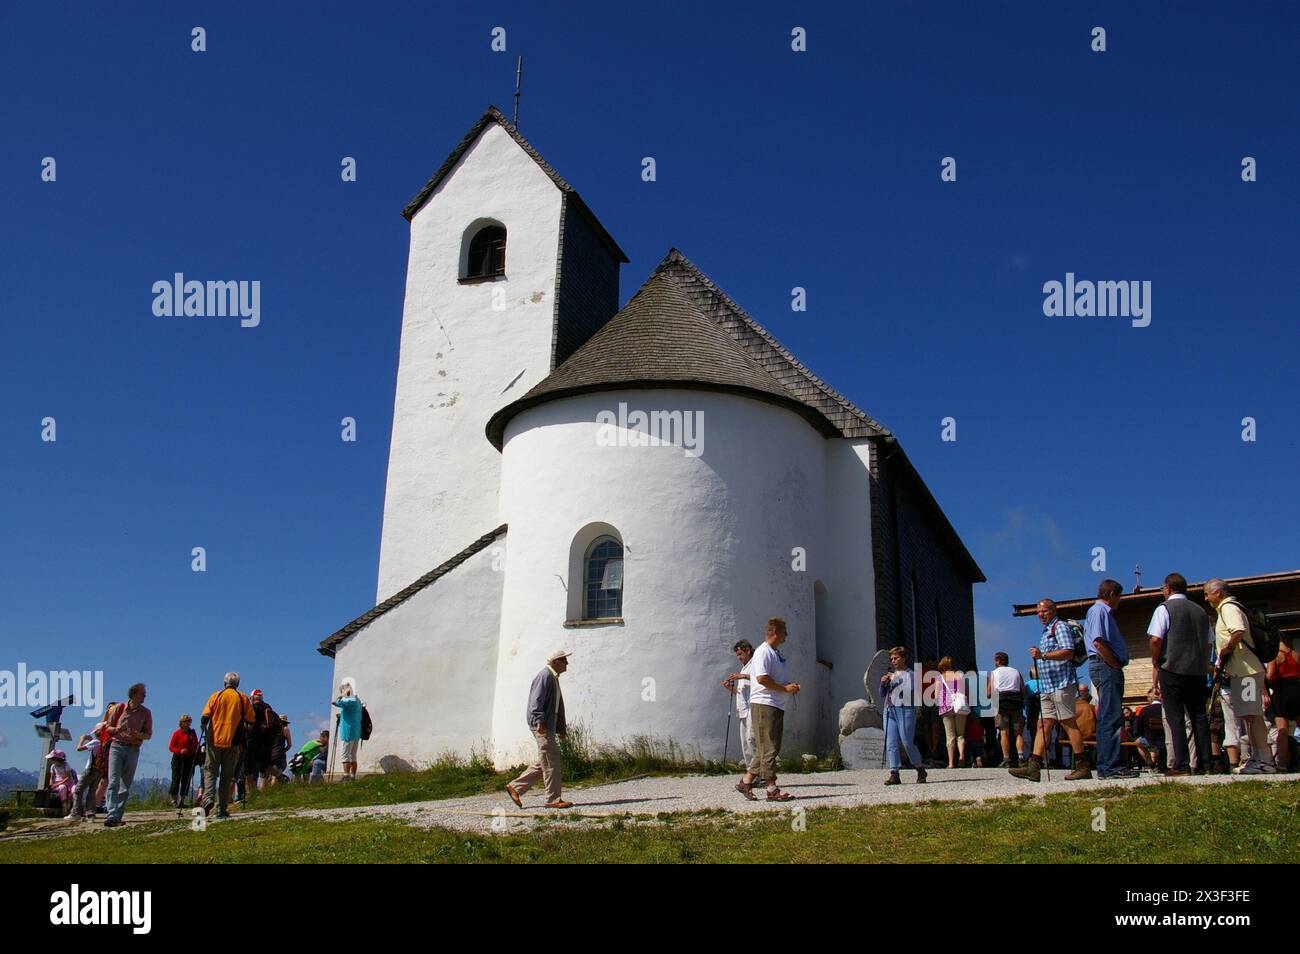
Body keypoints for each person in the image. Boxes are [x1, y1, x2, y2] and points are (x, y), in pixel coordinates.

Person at [1011, 600, 1090, 782]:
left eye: (1044, 611)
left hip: (1061, 684)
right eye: (1038, 611)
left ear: (1054, 611)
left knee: (1068, 722)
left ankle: (1082, 764)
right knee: (1043, 724)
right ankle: (1034, 766)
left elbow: (1068, 652)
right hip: (1048, 686)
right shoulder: (1046, 631)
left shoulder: (1060, 627)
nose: (1041, 614)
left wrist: (1042, 655)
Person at [1206, 579, 1276, 774]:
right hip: (1243, 672)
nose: (1205, 598)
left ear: (1217, 593)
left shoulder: (1228, 608)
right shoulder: (1228, 608)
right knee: (1248, 716)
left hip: (1246, 671)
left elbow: (1238, 630)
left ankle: (1264, 760)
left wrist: (1226, 650)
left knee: (1252, 716)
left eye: (1207, 593)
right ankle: (1257, 758)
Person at [1147, 572, 1213, 776]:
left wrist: (1156, 660)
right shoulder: (1201, 611)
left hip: (1173, 667)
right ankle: (1206, 763)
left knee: (1175, 717)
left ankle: (1181, 764)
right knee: (1199, 716)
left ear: (1167, 588)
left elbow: (1156, 639)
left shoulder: (1164, 608)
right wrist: (1202, 663)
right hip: (1197, 670)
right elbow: (1209, 643)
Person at [734, 618, 800, 801]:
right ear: (776, 632)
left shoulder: (775, 653)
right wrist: (785, 688)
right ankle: (772, 789)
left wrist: (789, 686)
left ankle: (746, 781)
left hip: (776, 704)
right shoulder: (763, 651)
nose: (787, 635)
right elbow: (762, 678)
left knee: (770, 748)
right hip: (764, 704)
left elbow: (774, 678)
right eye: (784, 631)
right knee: (769, 748)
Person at [506, 650, 573, 808]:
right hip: (542, 726)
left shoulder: (552, 677)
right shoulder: (545, 676)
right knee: (550, 761)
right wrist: (540, 722)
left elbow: (557, 707)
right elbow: (536, 702)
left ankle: (515, 787)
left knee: (547, 759)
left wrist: (561, 729)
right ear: (555, 661)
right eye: (564, 660)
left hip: (547, 725)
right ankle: (552, 800)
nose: (567, 663)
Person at [1085, 578, 1136, 778]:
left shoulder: (1099, 612)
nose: (1119, 601)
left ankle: (1108, 764)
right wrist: (1114, 662)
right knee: (1111, 716)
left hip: (1104, 665)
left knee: (1109, 715)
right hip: (1105, 665)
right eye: (1119, 596)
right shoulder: (1100, 611)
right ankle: (1110, 766)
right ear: (1112, 595)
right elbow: (1098, 642)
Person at [202, 672, 255, 819]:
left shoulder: (216, 696)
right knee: (227, 775)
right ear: (237, 684)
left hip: (214, 739)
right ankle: (221, 809)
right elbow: (251, 719)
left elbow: (205, 716)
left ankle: (208, 797)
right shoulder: (242, 698)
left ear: (224, 683)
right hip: (233, 741)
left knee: (210, 770)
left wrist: (205, 729)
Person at [104, 683, 153, 828]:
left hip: (133, 748)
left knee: (125, 783)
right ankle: (111, 814)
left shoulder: (146, 713)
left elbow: (149, 734)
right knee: (113, 781)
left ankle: (117, 816)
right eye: (142, 693)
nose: (145, 696)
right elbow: (108, 727)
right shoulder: (119, 709)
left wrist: (139, 735)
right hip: (117, 746)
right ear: (134, 694)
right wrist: (118, 729)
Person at [881, 645, 927, 785]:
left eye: (896, 658)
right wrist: (883, 683)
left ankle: (919, 768)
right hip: (889, 710)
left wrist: (896, 680)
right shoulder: (891, 675)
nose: (893, 661)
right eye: (891, 659)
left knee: (907, 741)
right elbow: (882, 694)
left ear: (904, 658)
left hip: (905, 709)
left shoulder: (910, 674)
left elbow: (908, 690)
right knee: (891, 742)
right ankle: (894, 773)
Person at [1267, 634, 1299, 771]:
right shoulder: (1296, 654)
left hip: (1281, 692)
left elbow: (1269, 675)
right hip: (1297, 690)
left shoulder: (1275, 656)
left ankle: (1282, 763)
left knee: (1282, 729)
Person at [723, 640, 757, 770]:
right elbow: (741, 692)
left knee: (751, 741)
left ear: (748, 650)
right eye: (737, 655)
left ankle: (759, 775)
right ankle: (751, 773)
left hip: (752, 710)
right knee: (745, 743)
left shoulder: (754, 664)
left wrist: (742, 676)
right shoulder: (744, 667)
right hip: (743, 711)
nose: (739, 657)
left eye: (740, 654)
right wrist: (730, 689)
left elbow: (762, 679)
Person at [988, 652, 1025, 768]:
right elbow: (1023, 690)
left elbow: (989, 692)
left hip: (1001, 702)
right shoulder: (1016, 672)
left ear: (998, 661)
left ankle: (1006, 758)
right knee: (1018, 732)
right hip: (1016, 702)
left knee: (1004, 732)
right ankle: (1021, 757)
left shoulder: (994, 673)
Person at [69, 722, 106, 821]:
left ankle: (75, 813)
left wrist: (82, 739)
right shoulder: (106, 742)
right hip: (100, 770)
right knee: (92, 792)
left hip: (90, 769)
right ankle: (90, 814)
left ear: (99, 732)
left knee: (78, 790)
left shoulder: (95, 742)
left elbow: (79, 749)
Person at [937, 656, 968, 768]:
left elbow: (936, 694)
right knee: (960, 734)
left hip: (946, 708)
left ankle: (950, 763)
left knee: (950, 736)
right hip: (960, 706)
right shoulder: (960, 675)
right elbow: (966, 691)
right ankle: (961, 756)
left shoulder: (940, 677)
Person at [332, 681, 364, 782]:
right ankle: (352, 776)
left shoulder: (349, 700)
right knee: (353, 755)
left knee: (345, 754)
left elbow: (334, 702)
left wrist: (341, 695)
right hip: (356, 730)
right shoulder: (357, 700)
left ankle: (346, 776)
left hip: (348, 731)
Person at [168, 715, 200, 808]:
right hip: (178, 758)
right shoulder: (177, 733)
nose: (188, 723)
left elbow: (196, 743)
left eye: (189, 721)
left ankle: (182, 800)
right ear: (181, 723)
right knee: (176, 778)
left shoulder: (192, 733)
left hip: (189, 758)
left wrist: (195, 749)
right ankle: (174, 800)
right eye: (186, 721)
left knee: (186, 779)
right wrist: (179, 751)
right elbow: (171, 747)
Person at [45, 750, 76, 816]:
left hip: (68, 782)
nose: (50, 760)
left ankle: (73, 806)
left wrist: (56, 784)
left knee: (74, 790)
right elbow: (51, 777)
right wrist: (51, 785)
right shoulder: (53, 766)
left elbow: (68, 777)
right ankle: (64, 804)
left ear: (56, 758)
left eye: (51, 758)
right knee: (62, 787)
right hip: (58, 783)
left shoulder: (66, 765)